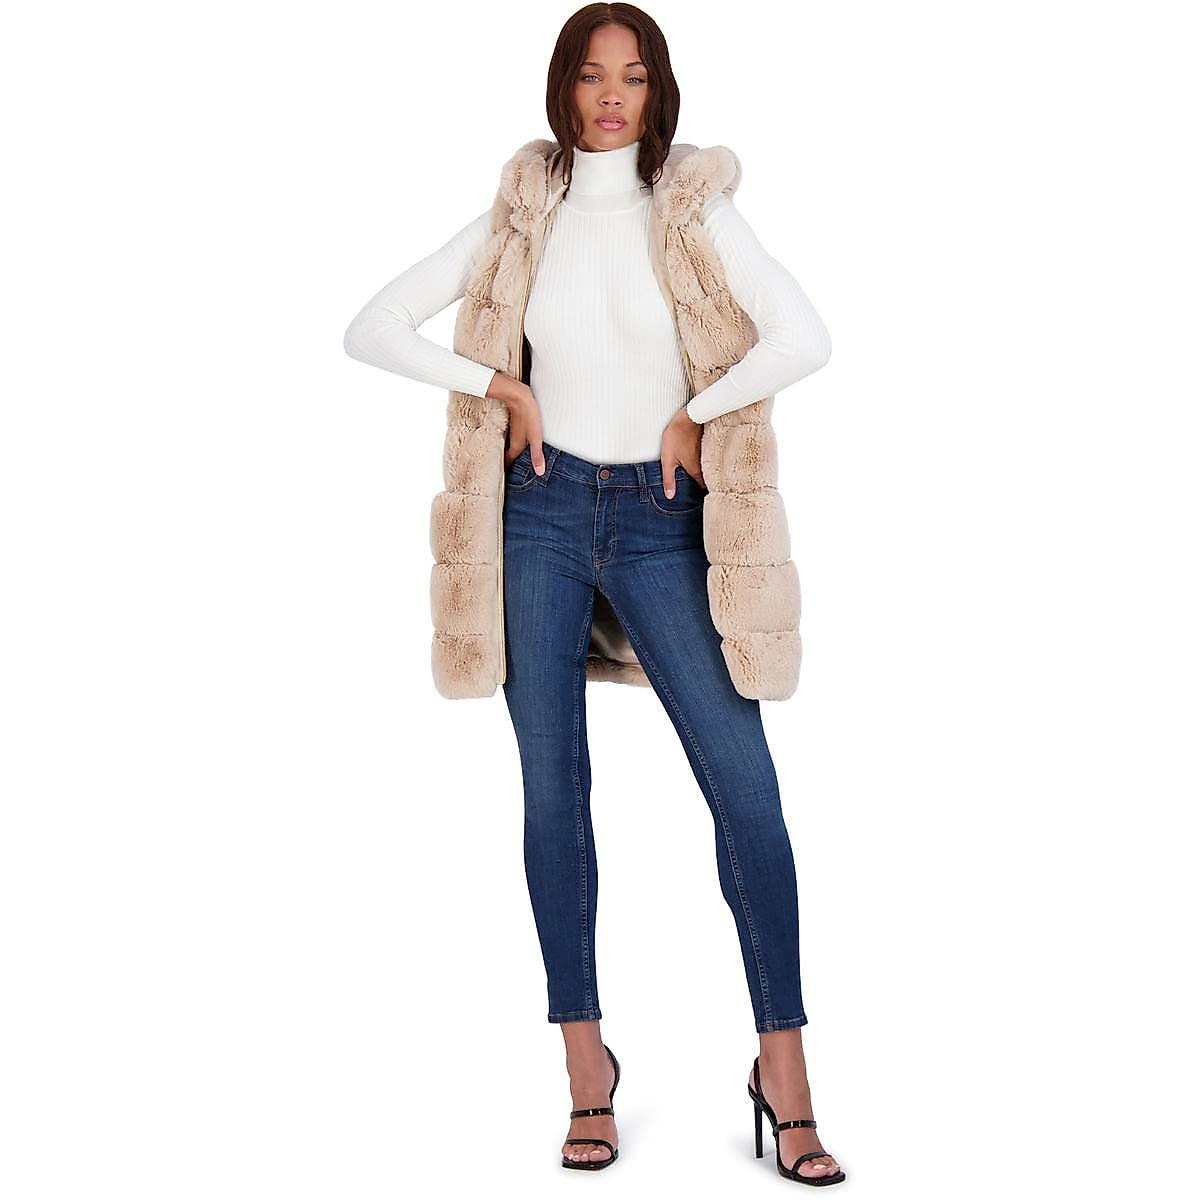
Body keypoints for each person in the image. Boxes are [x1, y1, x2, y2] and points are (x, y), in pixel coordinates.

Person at [344, 4, 843, 1185]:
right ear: (563, 88)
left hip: (665, 520)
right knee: (553, 797)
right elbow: (370, 326)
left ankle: (784, 1074)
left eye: (632, 75)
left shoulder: (695, 209)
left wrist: (698, 412)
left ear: (657, 90)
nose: (611, 95)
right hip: (542, 517)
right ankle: (586, 1068)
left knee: (747, 794)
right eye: (589, 74)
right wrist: (499, 389)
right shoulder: (523, 214)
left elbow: (805, 337)